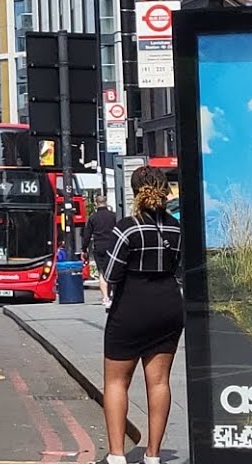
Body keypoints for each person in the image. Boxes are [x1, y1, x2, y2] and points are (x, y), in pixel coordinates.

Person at [95, 166, 183, 464]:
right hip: (169, 304)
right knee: (159, 382)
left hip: (131, 306)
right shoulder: (176, 227)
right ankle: (154, 455)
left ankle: (117, 455)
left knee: (117, 382)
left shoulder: (127, 227)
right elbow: (181, 269)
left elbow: (111, 273)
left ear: (135, 192)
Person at [83, 195, 119, 310]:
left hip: (99, 247)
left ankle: (106, 298)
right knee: (113, 270)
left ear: (96, 203)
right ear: (106, 202)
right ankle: (115, 295)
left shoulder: (93, 217)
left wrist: (84, 249)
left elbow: (87, 235)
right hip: (112, 246)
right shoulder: (114, 216)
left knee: (102, 272)